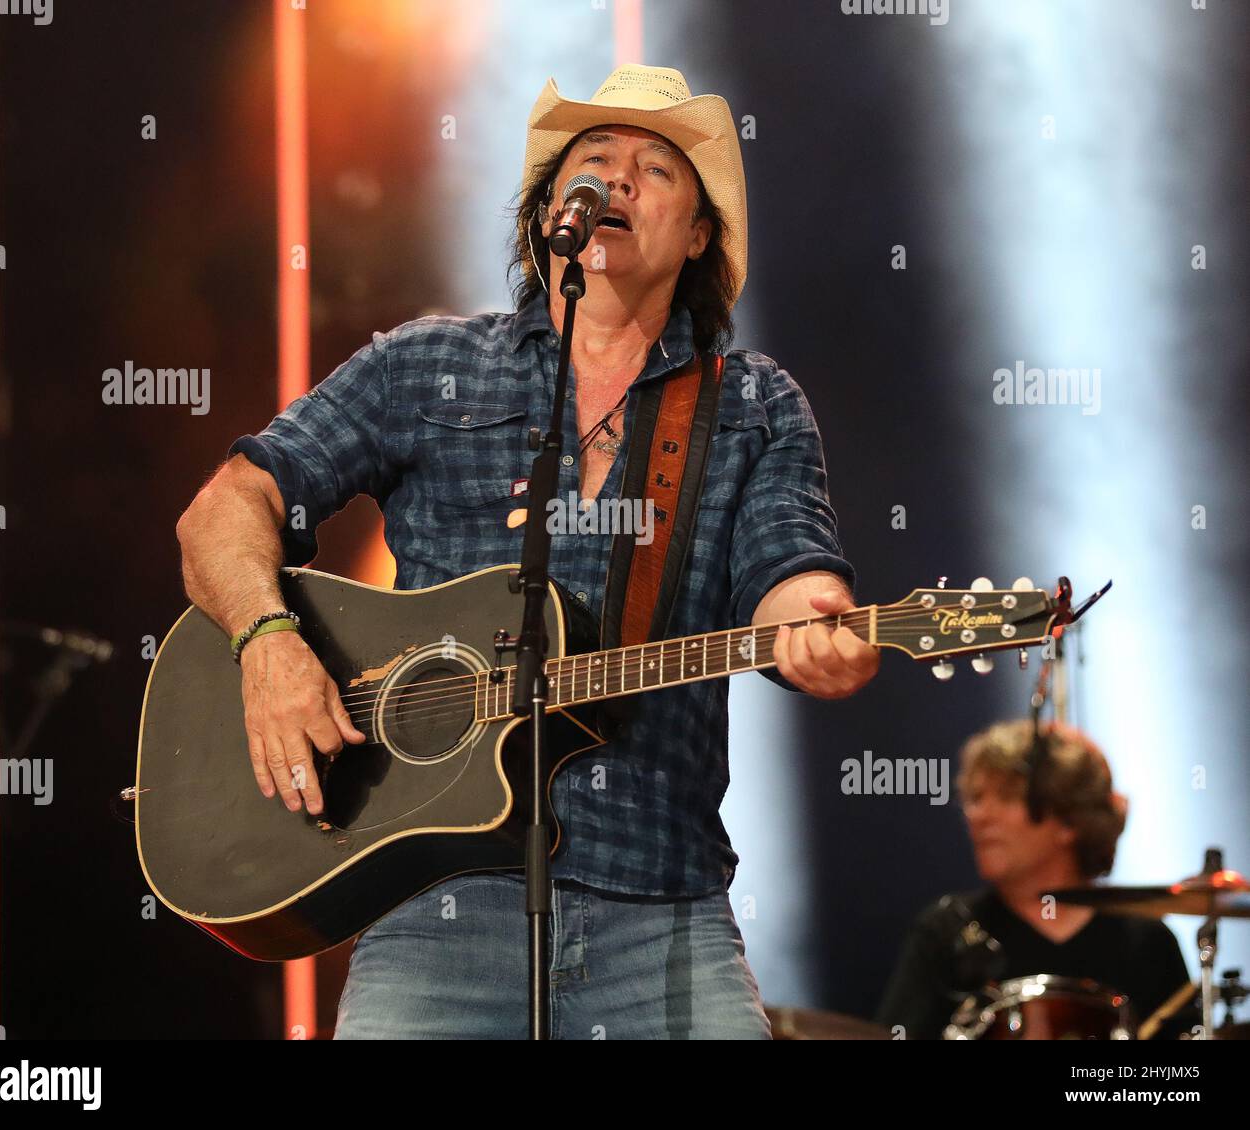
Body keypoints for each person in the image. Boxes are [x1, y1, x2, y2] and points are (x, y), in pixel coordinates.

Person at [176, 64, 880, 1039]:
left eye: (655, 169)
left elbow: (786, 572)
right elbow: (225, 508)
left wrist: (813, 626)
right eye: (593, 162)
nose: (618, 180)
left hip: (660, 909)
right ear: (551, 210)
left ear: (699, 232)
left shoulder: (752, 401)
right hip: (434, 915)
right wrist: (267, 642)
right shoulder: (426, 364)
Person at [876, 719, 1190, 1039]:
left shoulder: (1147, 943)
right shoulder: (946, 932)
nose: (980, 815)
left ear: (1069, 820)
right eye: (975, 798)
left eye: (1006, 797)